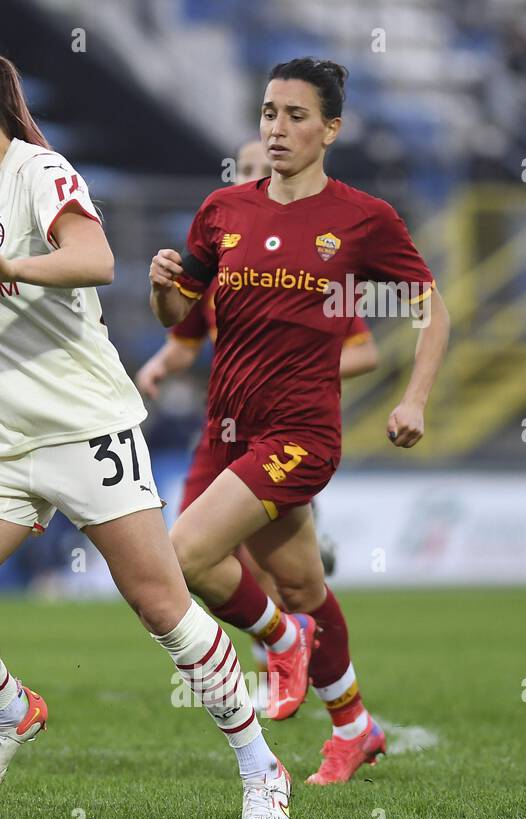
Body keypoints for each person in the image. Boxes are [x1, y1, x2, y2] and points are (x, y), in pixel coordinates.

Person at [0, 42, 292, 819]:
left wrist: (6, 266)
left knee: (162, 608)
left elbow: (96, 258)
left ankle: (260, 766)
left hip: (84, 426)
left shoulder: (39, 174)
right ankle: (12, 711)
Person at [149, 58, 449, 784]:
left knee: (184, 555)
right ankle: (355, 728)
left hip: (300, 437)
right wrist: (162, 291)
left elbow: (430, 308)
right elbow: (182, 315)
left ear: (331, 129)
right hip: (229, 431)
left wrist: (414, 399)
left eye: (296, 116)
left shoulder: (363, 218)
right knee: (308, 588)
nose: (277, 129)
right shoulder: (223, 210)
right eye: (269, 113)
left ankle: (282, 643)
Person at [136, 139, 378, 700]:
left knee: (256, 565)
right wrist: (155, 368)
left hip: (286, 426)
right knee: (196, 557)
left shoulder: (313, 269)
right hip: (222, 427)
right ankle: (283, 651)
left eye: (258, 171)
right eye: (241, 171)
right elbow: (183, 337)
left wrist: (304, 367)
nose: (249, 180)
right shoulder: (219, 264)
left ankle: (287, 665)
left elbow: (366, 351)